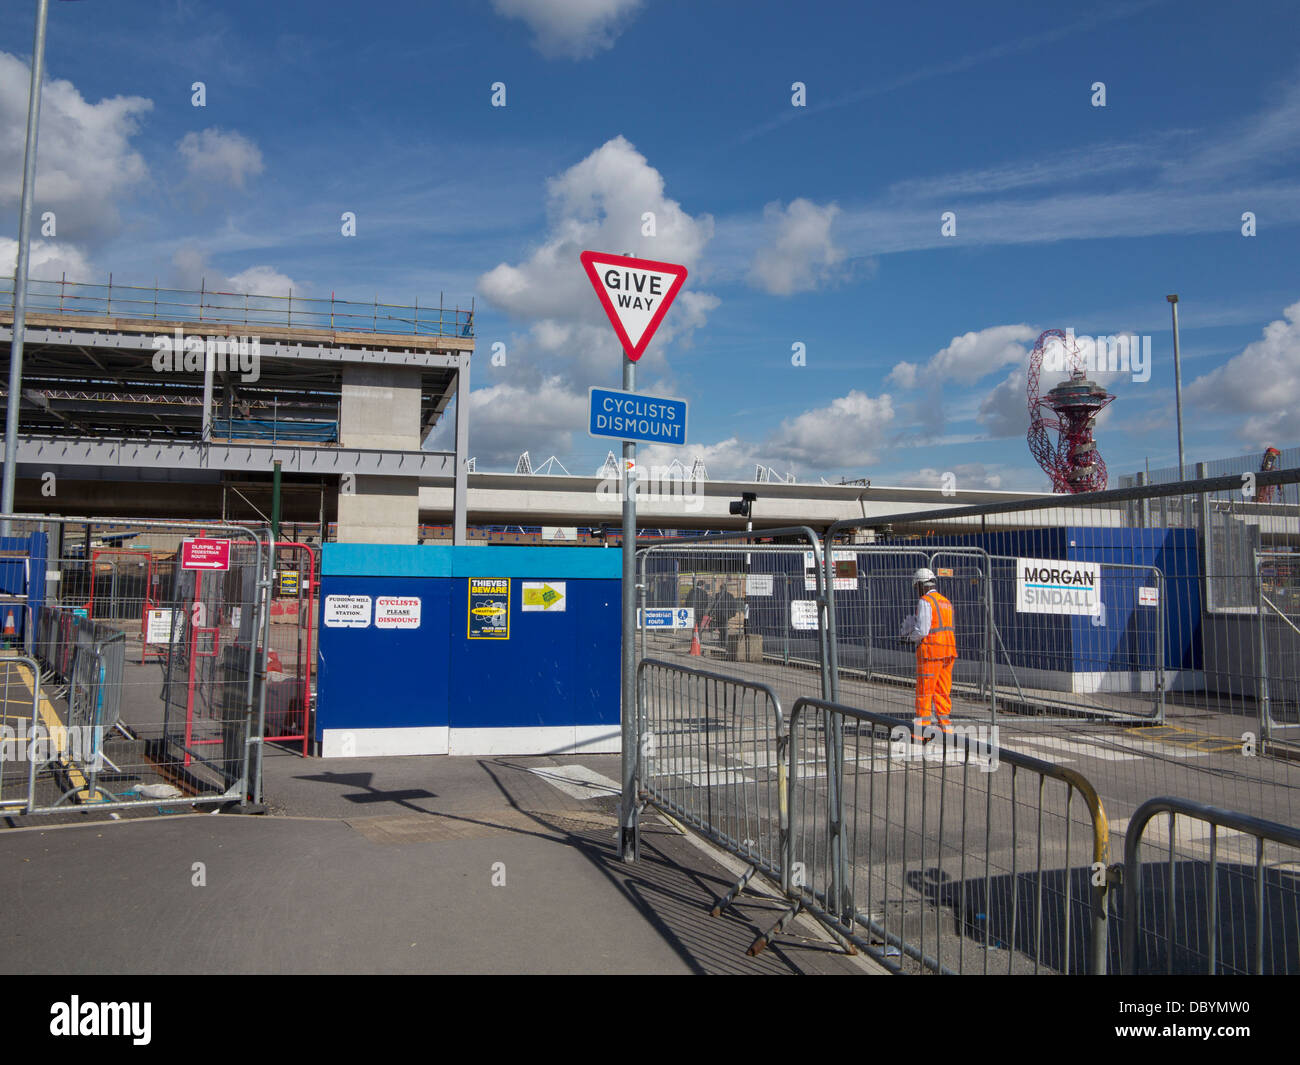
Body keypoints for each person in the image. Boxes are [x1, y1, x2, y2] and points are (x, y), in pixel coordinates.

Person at [898, 568, 958, 743]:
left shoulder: (925, 601)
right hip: (948, 651)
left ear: (920, 585)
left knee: (925, 692)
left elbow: (923, 630)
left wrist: (909, 637)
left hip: (931, 652)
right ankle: (946, 728)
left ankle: (920, 732)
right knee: (942, 691)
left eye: (916, 587)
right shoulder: (945, 601)